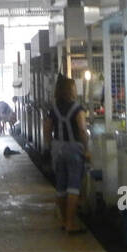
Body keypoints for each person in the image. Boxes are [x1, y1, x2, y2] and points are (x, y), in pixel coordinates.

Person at [43, 75, 90, 234]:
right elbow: (82, 130)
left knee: (61, 186)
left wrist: (49, 146)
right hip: (74, 149)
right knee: (74, 186)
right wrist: (86, 148)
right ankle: (71, 223)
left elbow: (47, 129)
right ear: (71, 90)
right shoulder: (78, 108)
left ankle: (63, 221)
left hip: (58, 149)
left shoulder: (53, 109)